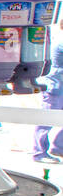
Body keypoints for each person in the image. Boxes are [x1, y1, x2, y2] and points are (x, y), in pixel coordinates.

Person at [33, 28, 63, 162]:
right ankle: (39, 152)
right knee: (46, 121)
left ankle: (58, 147)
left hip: (58, 86)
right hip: (55, 87)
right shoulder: (61, 41)